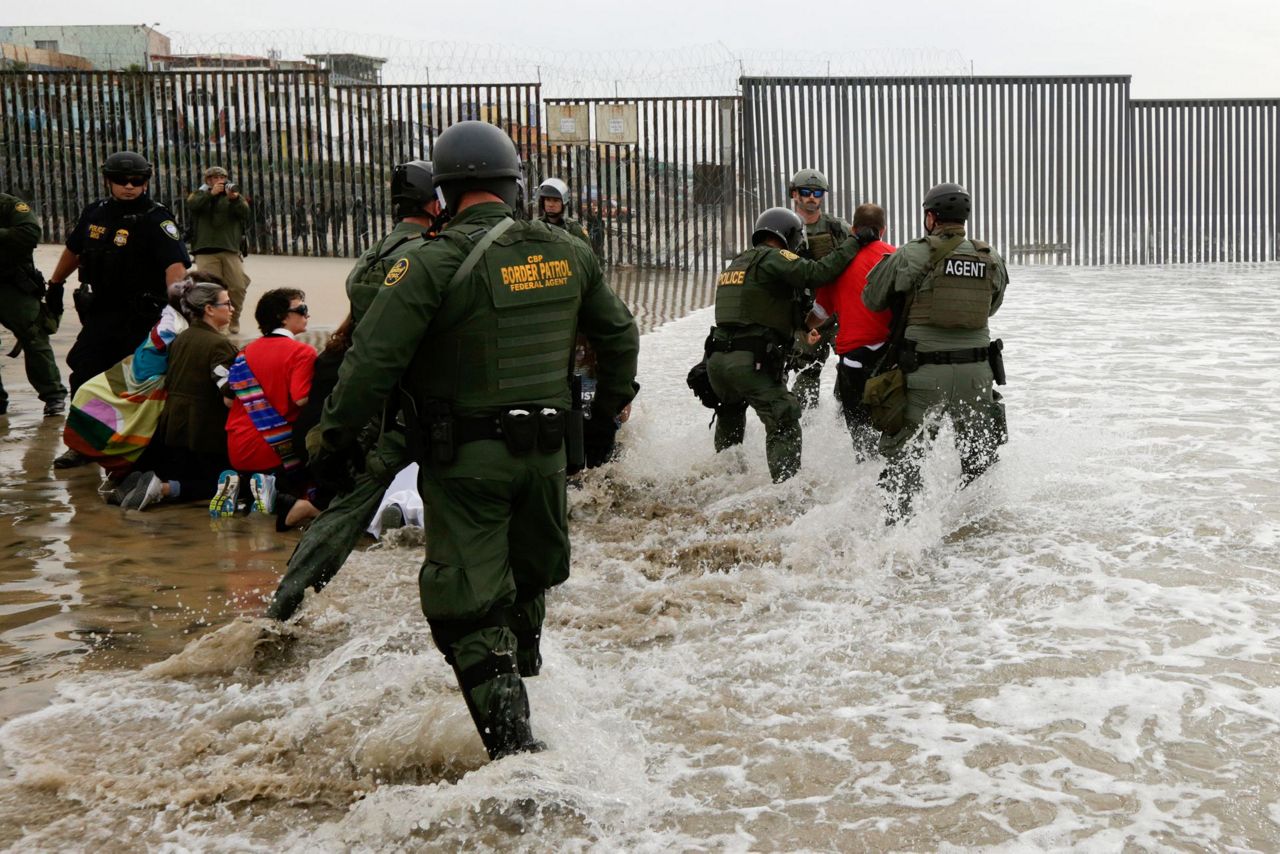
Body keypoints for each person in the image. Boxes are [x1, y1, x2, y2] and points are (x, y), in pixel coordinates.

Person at [307, 120, 639, 761]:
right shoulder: (567, 251)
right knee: (526, 579)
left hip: (466, 462)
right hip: (546, 461)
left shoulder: (429, 261)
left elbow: (371, 361)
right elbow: (619, 336)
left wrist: (334, 439)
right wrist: (606, 416)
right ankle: (525, 691)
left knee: (463, 607)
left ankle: (518, 763)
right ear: (514, 184)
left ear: (445, 193)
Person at [266, 160, 445, 620]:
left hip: (376, 405)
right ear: (433, 202)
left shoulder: (371, 258)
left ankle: (285, 605)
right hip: (428, 399)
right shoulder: (430, 253)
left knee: (347, 508)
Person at [862, 182, 1009, 519]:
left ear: (930, 217)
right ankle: (978, 534)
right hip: (977, 374)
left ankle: (900, 537)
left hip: (924, 374)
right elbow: (991, 307)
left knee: (904, 460)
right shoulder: (990, 256)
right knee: (980, 460)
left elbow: (872, 298)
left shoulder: (913, 253)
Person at [47, 151, 191, 468]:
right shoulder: (95, 213)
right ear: (108, 180)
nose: (129, 186)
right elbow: (74, 249)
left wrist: (176, 312)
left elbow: (175, 267)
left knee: (142, 380)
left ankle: (144, 448)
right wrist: (55, 283)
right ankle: (85, 445)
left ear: (146, 182)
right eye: (122, 180)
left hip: (143, 315)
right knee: (84, 371)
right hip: (102, 311)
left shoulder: (157, 219)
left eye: (137, 181)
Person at [706, 207, 864, 483]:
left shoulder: (739, 263)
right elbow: (817, 273)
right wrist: (855, 241)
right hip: (748, 363)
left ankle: (725, 480)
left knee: (731, 412)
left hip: (717, 364)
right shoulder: (773, 256)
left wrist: (802, 331)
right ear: (788, 236)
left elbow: (757, 311)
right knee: (785, 415)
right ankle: (787, 493)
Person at [114, 277, 238, 510]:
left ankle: (148, 483)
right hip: (204, 430)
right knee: (229, 483)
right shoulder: (219, 345)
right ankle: (161, 489)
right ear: (209, 309)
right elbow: (229, 394)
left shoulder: (182, 337)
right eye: (227, 304)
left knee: (190, 472)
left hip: (173, 425)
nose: (232, 309)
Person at [808, 203, 895, 459]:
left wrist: (804, 328)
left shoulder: (838, 265)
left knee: (861, 439)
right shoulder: (895, 256)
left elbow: (819, 315)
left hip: (853, 362)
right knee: (891, 433)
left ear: (853, 229)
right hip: (888, 361)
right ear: (883, 230)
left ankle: (859, 487)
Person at [221, 288, 317, 520]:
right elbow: (301, 399)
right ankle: (269, 491)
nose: (307, 315)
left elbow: (227, 400)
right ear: (283, 317)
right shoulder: (303, 352)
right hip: (273, 451)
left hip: (237, 447)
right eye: (302, 309)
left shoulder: (244, 352)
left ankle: (242, 488)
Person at [786, 168, 851, 410]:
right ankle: (807, 431)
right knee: (806, 375)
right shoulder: (785, 228)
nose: (812, 197)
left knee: (850, 368)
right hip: (805, 315)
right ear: (794, 194)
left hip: (837, 313)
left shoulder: (838, 228)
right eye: (806, 192)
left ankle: (840, 422)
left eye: (817, 192)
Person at [0, 191, 66, 417]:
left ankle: (53, 396)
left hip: (12, 284)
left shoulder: (9, 206)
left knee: (34, 335)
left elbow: (29, 233)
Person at [186, 166, 252, 334]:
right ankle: (216, 324)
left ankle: (233, 317)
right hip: (205, 249)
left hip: (230, 248)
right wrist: (210, 194)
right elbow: (192, 205)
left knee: (238, 285)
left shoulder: (233, 195)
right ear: (208, 181)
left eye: (222, 177)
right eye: (214, 178)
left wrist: (234, 199)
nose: (219, 181)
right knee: (211, 288)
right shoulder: (199, 194)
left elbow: (245, 213)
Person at [535, 178, 593, 249]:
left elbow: (588, 254)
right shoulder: (535, 227)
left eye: (556, 200)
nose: (550, 204)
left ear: (564, 203)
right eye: (547, 200)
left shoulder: (574, 229)